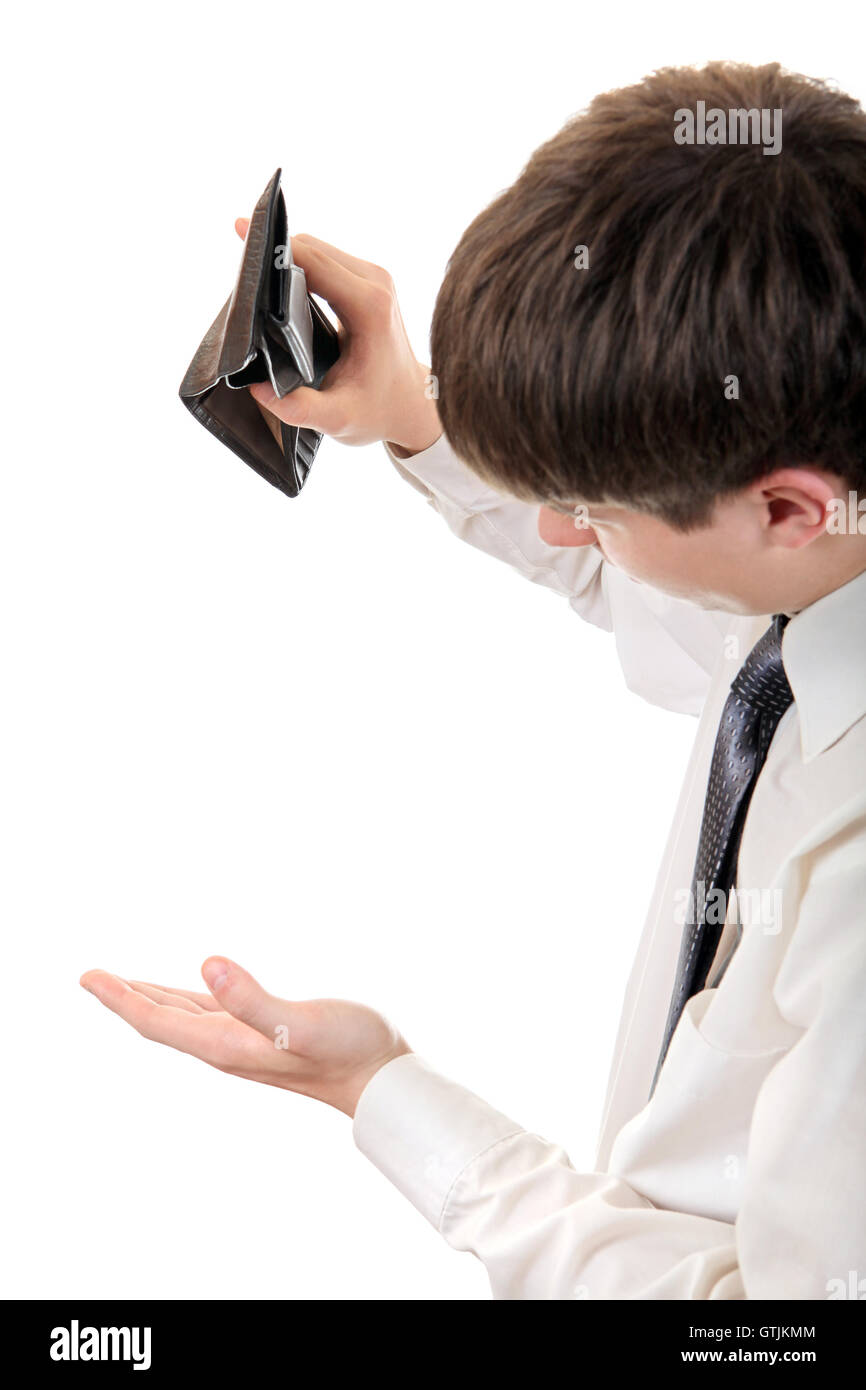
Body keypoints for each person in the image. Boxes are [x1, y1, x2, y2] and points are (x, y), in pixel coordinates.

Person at [81, 59, 866, 1299]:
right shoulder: (814, 587)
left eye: (587, 508)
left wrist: (380, 1090)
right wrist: (414, 415)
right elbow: (691, 608)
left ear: (786, 506)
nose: (559, 535)